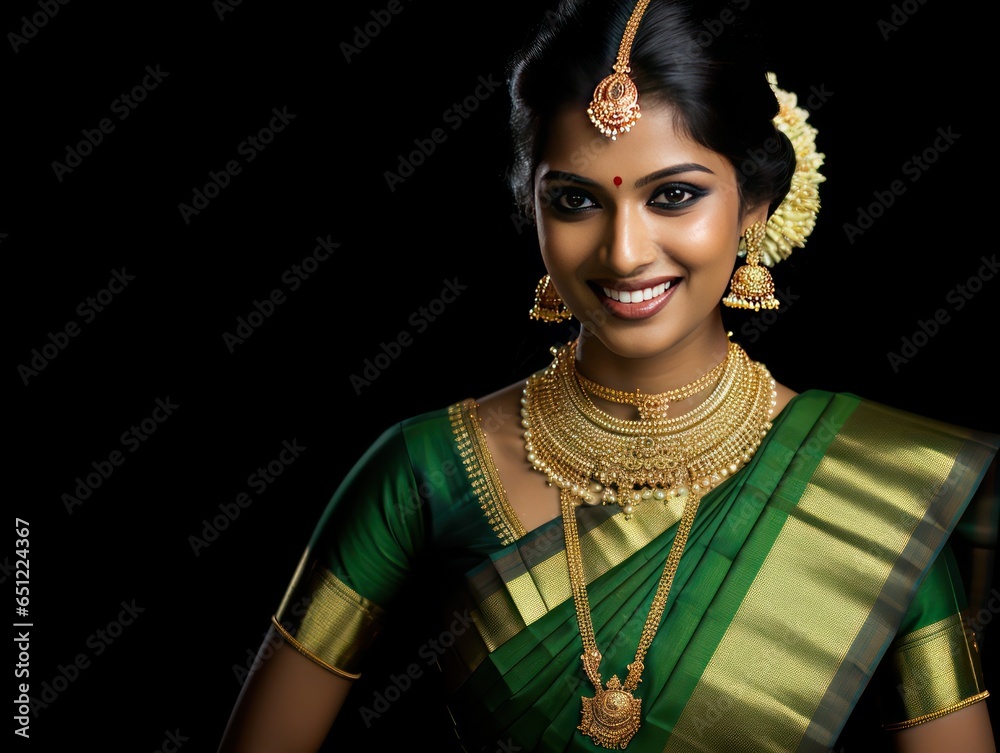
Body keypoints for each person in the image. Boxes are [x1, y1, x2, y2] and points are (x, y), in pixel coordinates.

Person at [216, 1, 998, 751]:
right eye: (576, 200)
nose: (624, 252)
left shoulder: (874, 492)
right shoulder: (428, 470)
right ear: (532, 209)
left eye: (676, 196)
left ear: (755, 205)